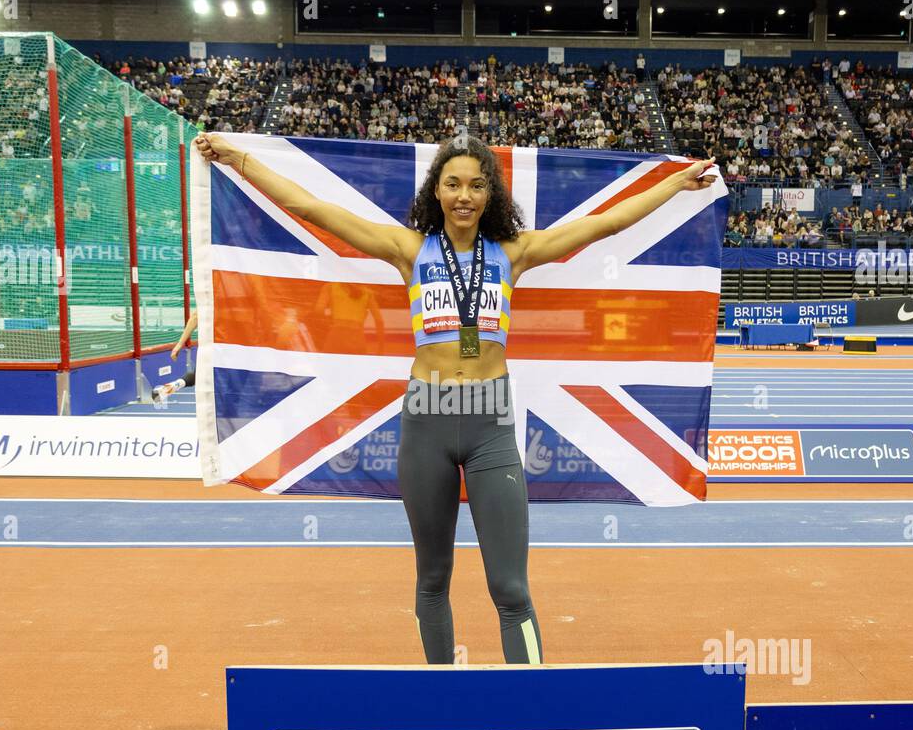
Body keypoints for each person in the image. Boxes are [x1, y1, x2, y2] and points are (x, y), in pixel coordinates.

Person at [193, 131, 716, 664]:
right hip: (426, 421)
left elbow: (606, 224)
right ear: (436, 193)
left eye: (476, 185)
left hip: (491, 423)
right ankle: (444, 692)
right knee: (432, 579)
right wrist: (240, 161)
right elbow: (312, 208)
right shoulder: (407, 249)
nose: (464, 195)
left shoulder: (515, 253)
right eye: (453, 185)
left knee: (511, 588)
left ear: (490, 195)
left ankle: (527, 704)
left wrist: (673, 183)